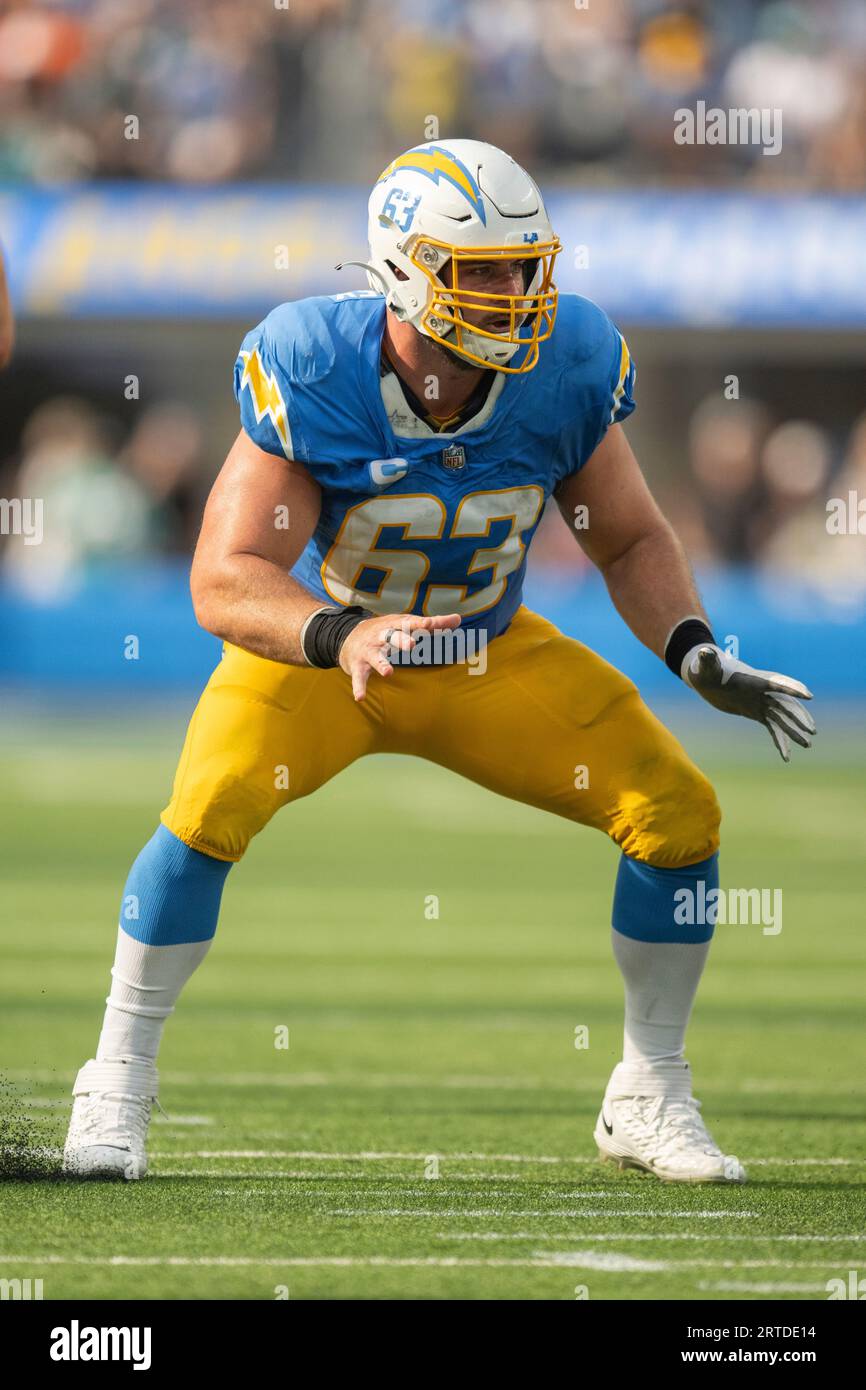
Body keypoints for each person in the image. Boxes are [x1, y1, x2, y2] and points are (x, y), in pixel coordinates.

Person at [63, 140, 814, 1183]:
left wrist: (692, 653)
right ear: (408, 269)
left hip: (483, 651)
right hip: (331, 659)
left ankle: (647, 1093)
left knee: (679, 817)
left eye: (526, 267)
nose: (517, 295)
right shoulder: (317, 365)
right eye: (486, 271)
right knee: (204, 811)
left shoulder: (566, 365)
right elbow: (225, 575)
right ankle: (115, 1080)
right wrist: (339, 632)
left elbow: (628, 537)